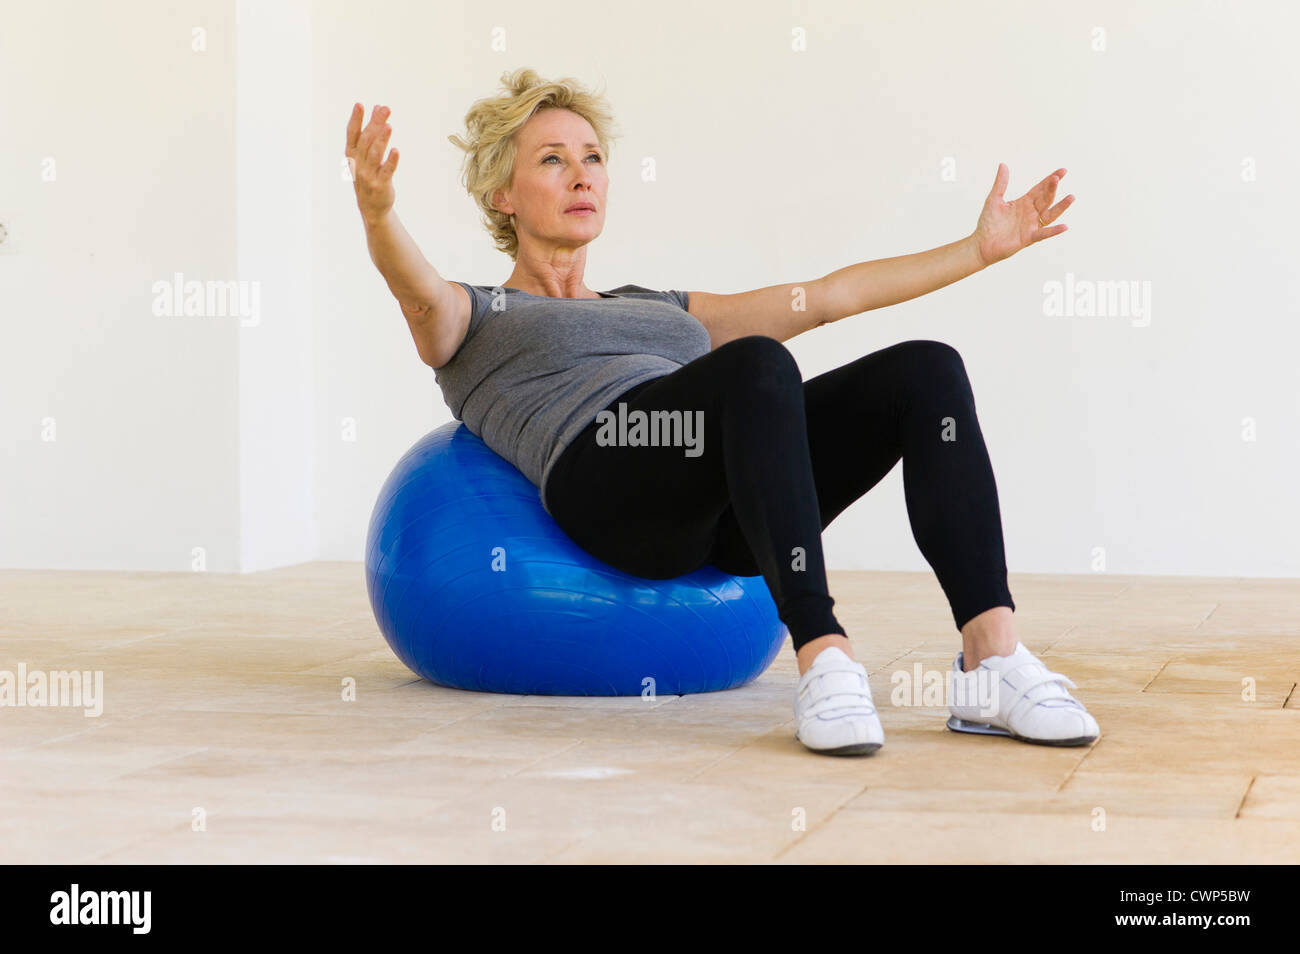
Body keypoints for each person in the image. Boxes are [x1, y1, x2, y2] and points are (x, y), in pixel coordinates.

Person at [345, 68, 1100, 756]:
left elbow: (831, 296)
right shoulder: (479, 317)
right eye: (551, 159)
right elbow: (418, 291)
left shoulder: (662, 308)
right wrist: (379, 215)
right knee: (756, 366)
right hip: (607, 485)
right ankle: (823, 654)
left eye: (593, 156)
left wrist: (975, 250)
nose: (582, 175)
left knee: (926, 370)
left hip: (721, 507)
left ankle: (990, 659)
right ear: (501, 195)